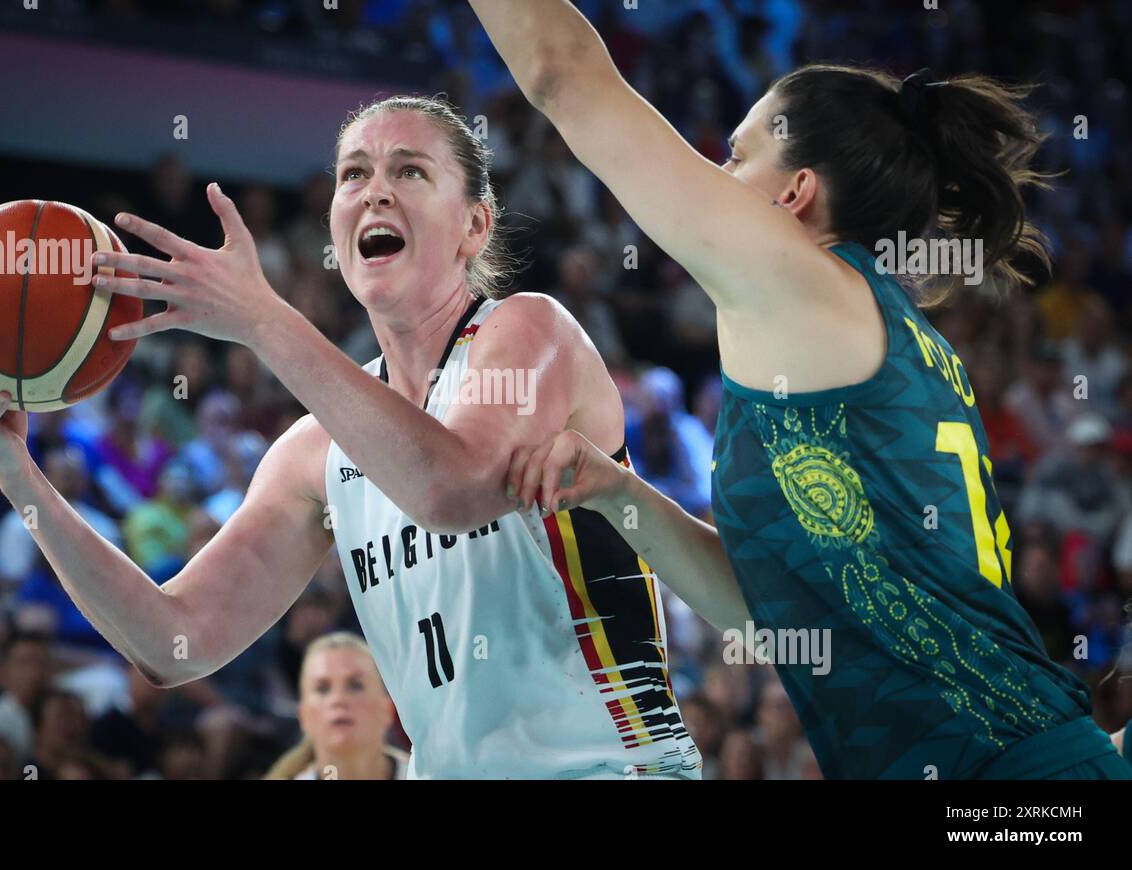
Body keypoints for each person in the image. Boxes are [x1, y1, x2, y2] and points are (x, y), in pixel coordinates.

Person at [0, 94, 716, 779]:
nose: (375, 192)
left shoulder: (528, 329)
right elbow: (174, 643)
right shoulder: (313, 451)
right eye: (353, 174)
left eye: (409, 170)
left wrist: (264, 321)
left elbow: (451, 485)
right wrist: (15, 471)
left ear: (476, 225)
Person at [478, 0, 1128, 778]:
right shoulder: (860, 330)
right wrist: (619, 493)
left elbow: (562, 75)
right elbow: (772, 614)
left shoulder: (805, 289)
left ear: (796, 194)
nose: (713, 177)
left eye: (736, 157)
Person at [264, 632, 408, 780]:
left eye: (355, 686)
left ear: (387, 710)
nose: (338, 699)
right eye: (322, 688)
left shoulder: (428, 774)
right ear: (304, 716)